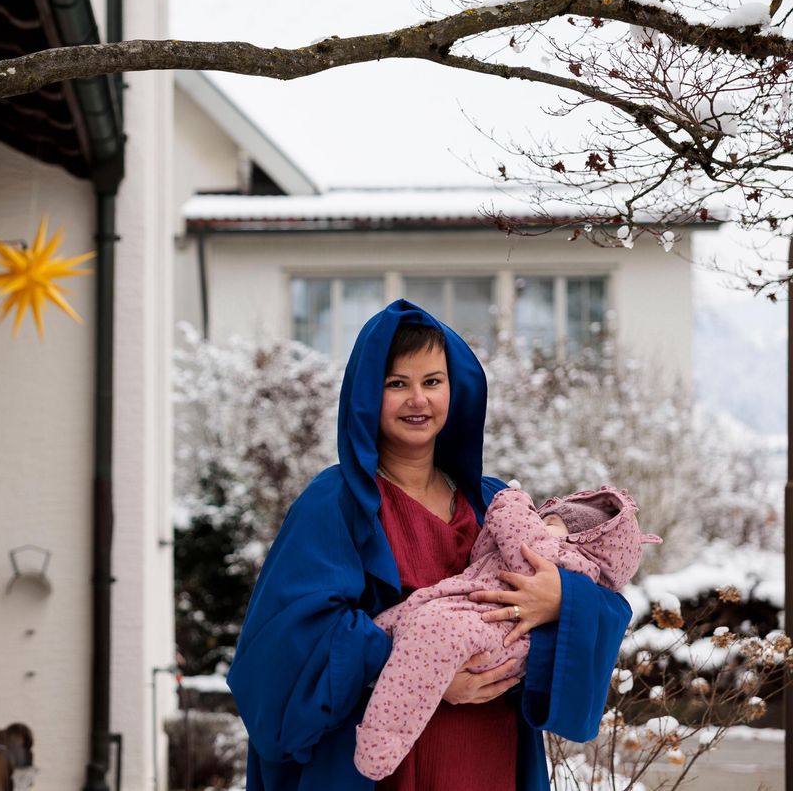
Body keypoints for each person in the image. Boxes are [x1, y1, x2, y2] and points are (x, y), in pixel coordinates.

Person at [226, 300, 633, 791]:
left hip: (489, 757)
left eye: (432, 382)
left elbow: (605, 596)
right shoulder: (334, 504)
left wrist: (559, 601)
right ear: (365, 397)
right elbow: (283, 649)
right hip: (384, 765)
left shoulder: (493, 502)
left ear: (454, 390)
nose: (417, 399)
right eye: (396, 383)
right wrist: (427, 672)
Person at [354, 485, 662, 780]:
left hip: (484, 643)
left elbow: (515, 530)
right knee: (394, 627)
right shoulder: (340, 497)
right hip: (450, 613)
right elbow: (485, 548)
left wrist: (560, 597)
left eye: (551, 522)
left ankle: (380, 743)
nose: (540, 523)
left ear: (579, 540)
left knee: (429, 631)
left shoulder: (563, 559)